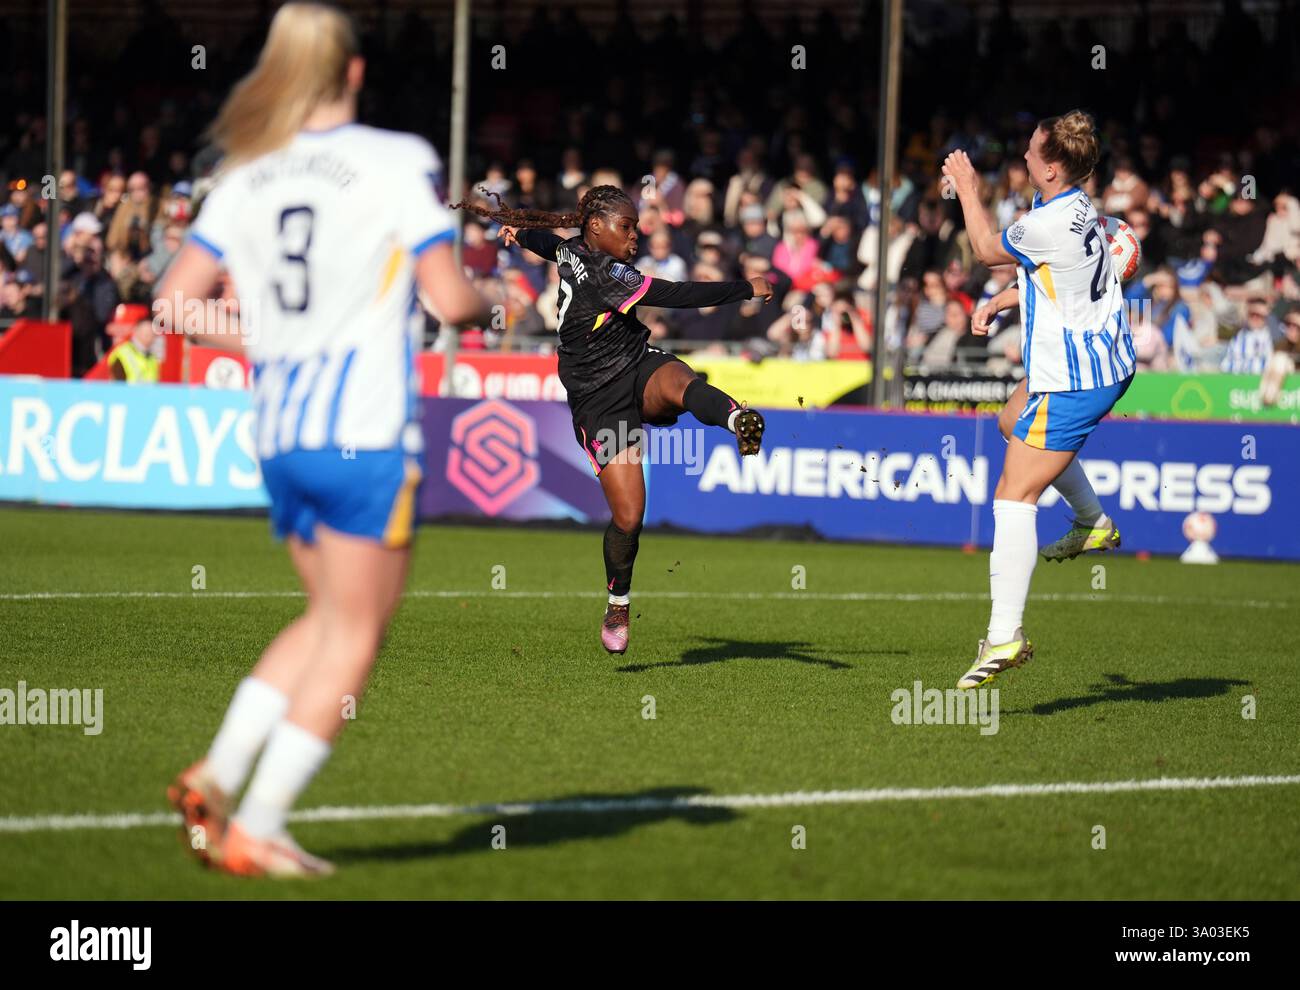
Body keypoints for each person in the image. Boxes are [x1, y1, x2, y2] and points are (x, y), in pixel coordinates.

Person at [154, 2, 489, 879]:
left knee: (325, 618)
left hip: (281, 433)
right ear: (354, 73)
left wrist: (271, 339)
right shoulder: (396, 160)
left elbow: (175, 307)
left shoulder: (245, 174)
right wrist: (496, 304)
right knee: (355, 636)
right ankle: (259, 826)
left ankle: (216, 777)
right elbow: (452, 300)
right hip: (364, 432)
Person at [454, 184, 772, 654]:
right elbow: (676, 293)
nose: (635, 236)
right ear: (597, 227)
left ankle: (736, 419)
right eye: (627, 227)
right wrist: (745, 287)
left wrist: (521, 235)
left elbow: (555, 247)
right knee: (629, 515)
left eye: (637, 228)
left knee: (678, 384)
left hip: (635, 361)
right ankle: (618, 603)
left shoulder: (578, 249)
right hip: (598, 397)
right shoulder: (606, 272)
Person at [942, 109, 1135, 690]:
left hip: (1076, 377)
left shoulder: (1045, 221)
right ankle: (1092, 520)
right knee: (1010, 422)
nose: (1023, 157)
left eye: (1030, 151)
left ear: (1051, 167)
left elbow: (982, 246)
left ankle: (1005, 634)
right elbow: (1053, 273)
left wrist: (969, 191)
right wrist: (1004, 301)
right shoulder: (1078, 207)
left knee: (1013, 494)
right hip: (1101, 356)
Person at [107, 318, 160, 382]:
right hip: (127, 392)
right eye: (146, 332)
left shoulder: (152, 357)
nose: (150, 336)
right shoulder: (122, 354)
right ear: (136, 331)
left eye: (152, 333)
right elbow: (118, 386)